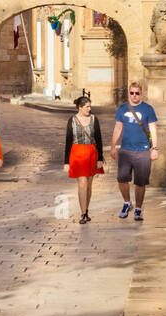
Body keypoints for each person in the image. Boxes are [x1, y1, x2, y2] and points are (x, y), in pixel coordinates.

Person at [110, 81, 158, 222]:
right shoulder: (122, 109)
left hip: (143, 151)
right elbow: (118, 128)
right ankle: (127, 203)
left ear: (141, 94)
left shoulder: (148, 109)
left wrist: (154, 149)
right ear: (129, 93)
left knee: (140, 182)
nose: (134, 95)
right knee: (122, 179)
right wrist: (113, 146)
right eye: (132, 93)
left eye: (137, 93)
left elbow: (153, 129)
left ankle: (138, 208)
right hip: (125, 150)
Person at [63, 94, 104, 224]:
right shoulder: (72, 120)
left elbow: (99, 139)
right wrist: (66, 162)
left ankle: (86, 209)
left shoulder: (94, 119)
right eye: (87, 107)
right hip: (77, 154)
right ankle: (83, 213)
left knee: (89, 184)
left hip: (92, 153)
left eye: (90, 106)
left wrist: (100, 158)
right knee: (82, 183)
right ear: (79, 107)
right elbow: (68, 141)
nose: (89, 109)